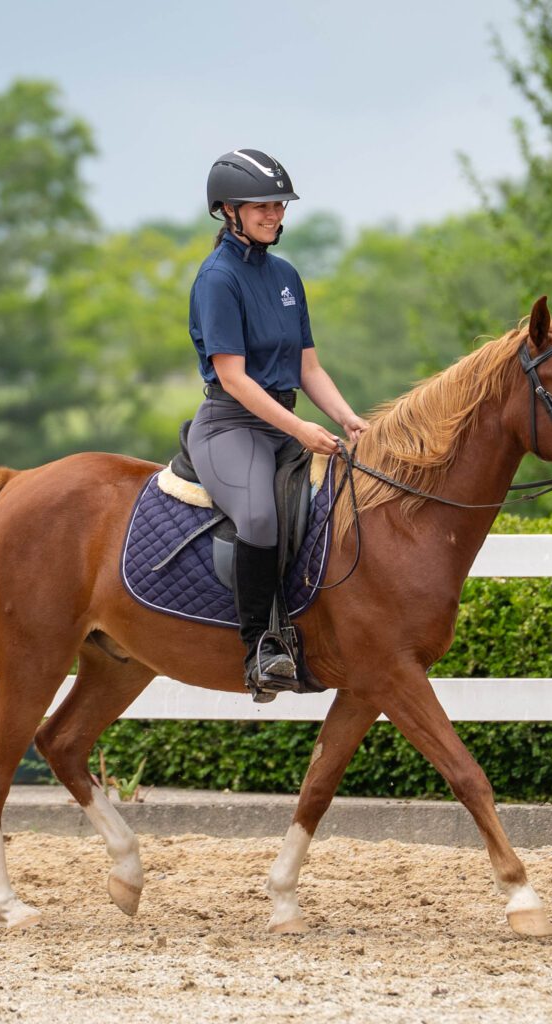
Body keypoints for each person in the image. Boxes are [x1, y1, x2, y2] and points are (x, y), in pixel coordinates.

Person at [187, 148, 368, 699]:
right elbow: (235, 379)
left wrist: (348, 419)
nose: (273, 214)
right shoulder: (217, 279)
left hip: (282, 419)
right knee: (261, 517)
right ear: (227, 210)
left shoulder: (286, 275)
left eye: (278, 205)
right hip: (230, 426)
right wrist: (298, 429)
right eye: (259, 205)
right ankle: (260, 648)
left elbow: (308, 366)